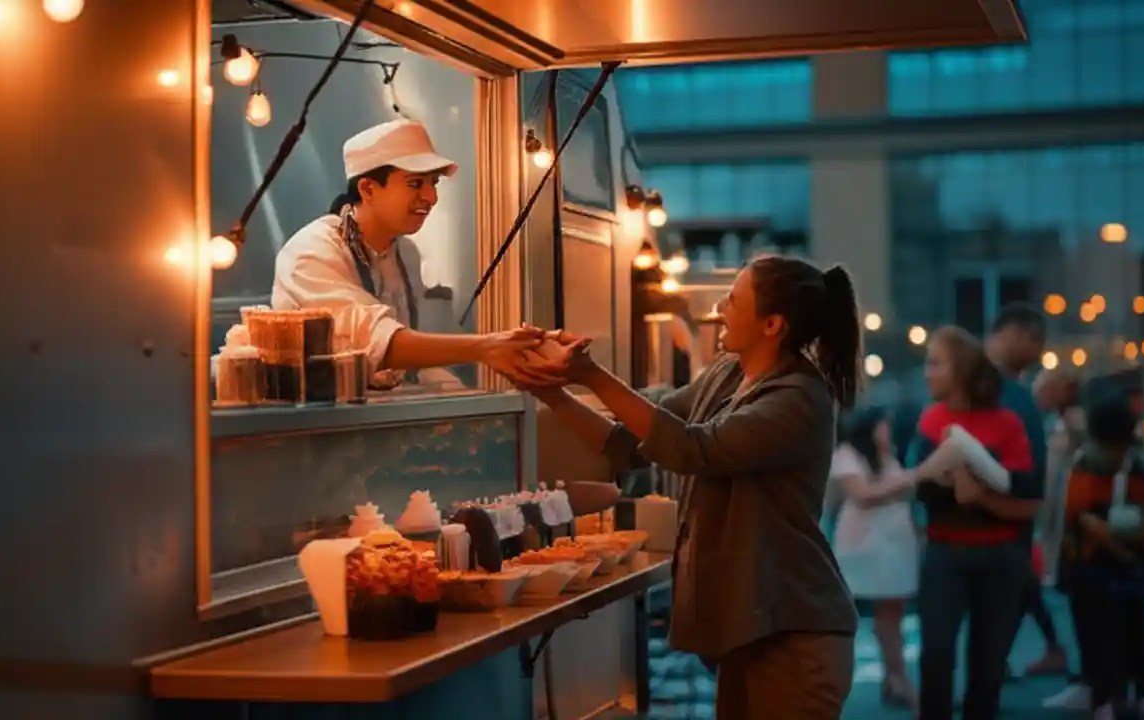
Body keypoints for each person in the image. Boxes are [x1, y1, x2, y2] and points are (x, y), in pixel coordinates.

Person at [516, 254, 862, 719]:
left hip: (793, 636)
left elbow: (692, 449)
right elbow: (631, 442)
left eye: (734, 300)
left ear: (772, 324)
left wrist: (590, 374)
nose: (720, 307)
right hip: (752, 630)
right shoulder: (727, 374)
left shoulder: (799, 398)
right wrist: (551, 389)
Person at [271, 118, 544, 387]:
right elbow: (376, 342)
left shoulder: (405, 252)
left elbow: (399, 367)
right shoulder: (312, 251)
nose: (431, 197)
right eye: (415, 184)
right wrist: (486, 347)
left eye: (433, 183)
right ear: (368, 189)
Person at [908, 326, 1040, 720]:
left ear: (961, 370)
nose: (927, 373)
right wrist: (960, 485)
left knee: (987, 665)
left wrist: (977, 492)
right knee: (935, 656)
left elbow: (1025, 493)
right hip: (944, 553)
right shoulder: (932, 420)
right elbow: (925, 490)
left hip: (1000, 556)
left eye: (935, 363)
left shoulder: (1007, 423)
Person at [1059, 396, 1144, 720]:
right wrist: (1129, 554)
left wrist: (1126, 551)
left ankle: (1125, 693)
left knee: (1119, 628)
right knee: (1115, 628)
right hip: (1111, 562)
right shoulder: (1098, 464)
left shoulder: (1122, 465)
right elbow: (1085, 521)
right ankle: (1119, 695)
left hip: (1111, 563)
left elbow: (1087, 520)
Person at [986, 304, 1068, 677]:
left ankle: (995, 663)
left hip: (1016, 513)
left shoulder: (1015, 391)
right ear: (1014, 335)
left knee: (1017, 588)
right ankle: (991, 666)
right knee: (1007, 591)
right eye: (1035, 341)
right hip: (992, 515)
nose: (1038, 351)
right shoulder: (990, 388)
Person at [829, 407, 920, 708]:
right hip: (869, 544)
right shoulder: (848, 455)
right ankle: (899, 678)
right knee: (886, 613)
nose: (887, 432)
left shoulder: (888, 457)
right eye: (883, 426)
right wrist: (909, 479)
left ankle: (892, 678)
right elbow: (863, 495)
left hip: (894, 542)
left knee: (893, 610)